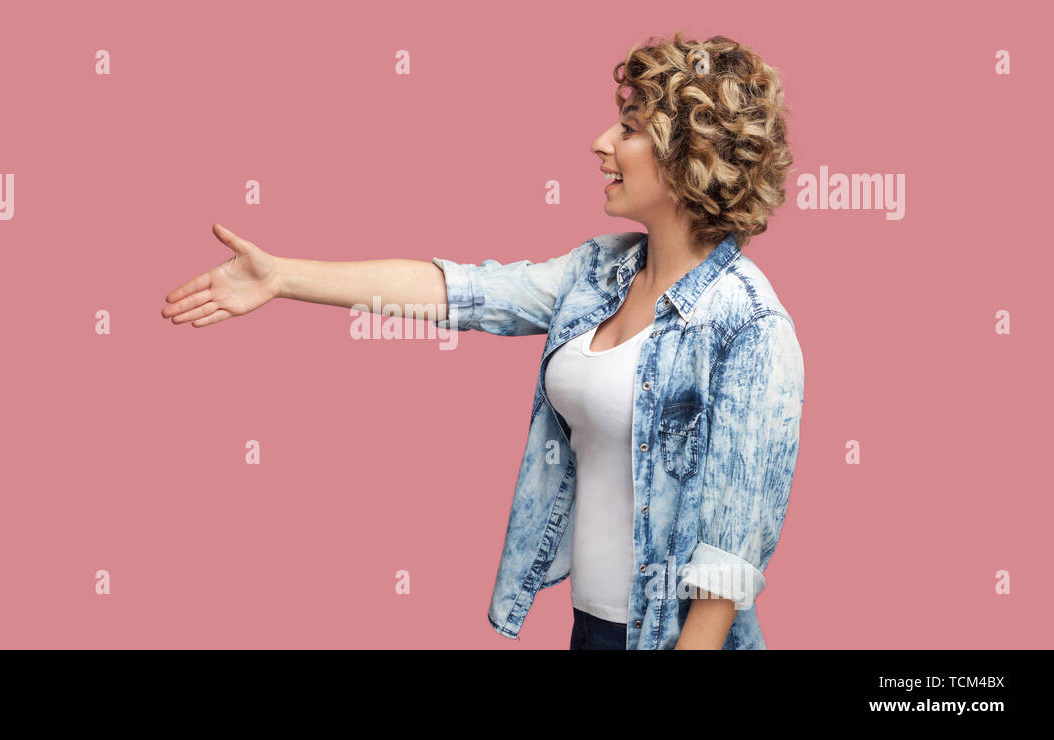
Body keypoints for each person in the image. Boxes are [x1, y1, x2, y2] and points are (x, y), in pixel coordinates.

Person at [161, 32, 804, 650]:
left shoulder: (750, 324)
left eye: (630, 129)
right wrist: (282, 277)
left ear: (690, 156)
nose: (600, 143)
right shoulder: (597, 273)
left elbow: (727, 563)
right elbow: (459, 293)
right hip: (594, 630)